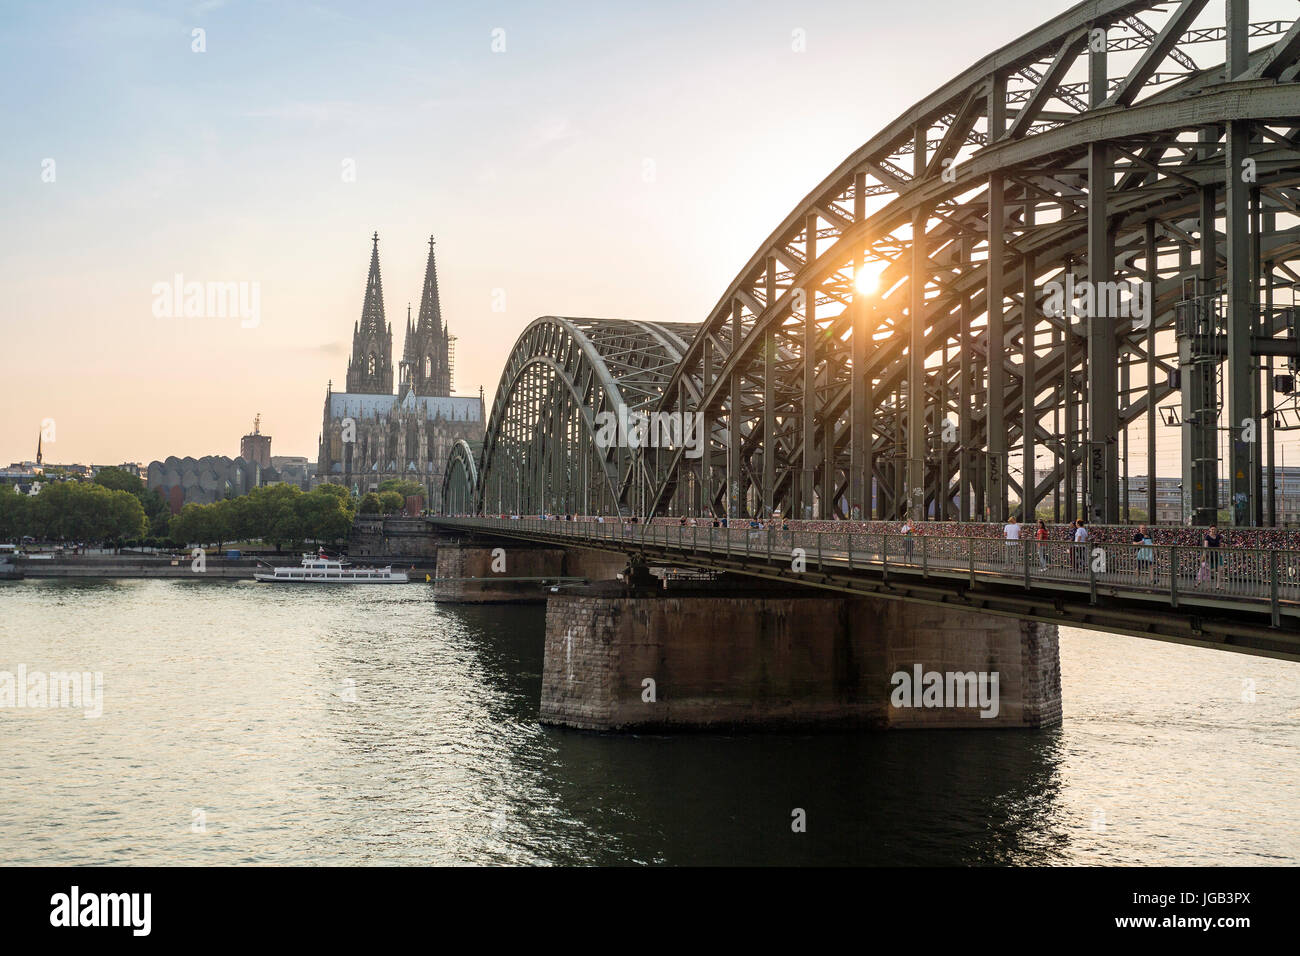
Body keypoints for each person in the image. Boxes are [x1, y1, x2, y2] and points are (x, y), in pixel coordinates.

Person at [1203, 525, 1223, 589]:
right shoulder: (1207, 537)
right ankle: (1208, 586)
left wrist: (1221, 552)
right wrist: (1205, 554)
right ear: (1209, 530)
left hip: (1217, 554)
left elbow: (1220, 544)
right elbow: (1205, 546)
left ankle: (1218, 585)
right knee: (1209, 570)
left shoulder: (1218, 536)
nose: (1213, 530)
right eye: (1212, 529)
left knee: (1221, 570)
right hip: (1210, 555)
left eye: (1214, 529)